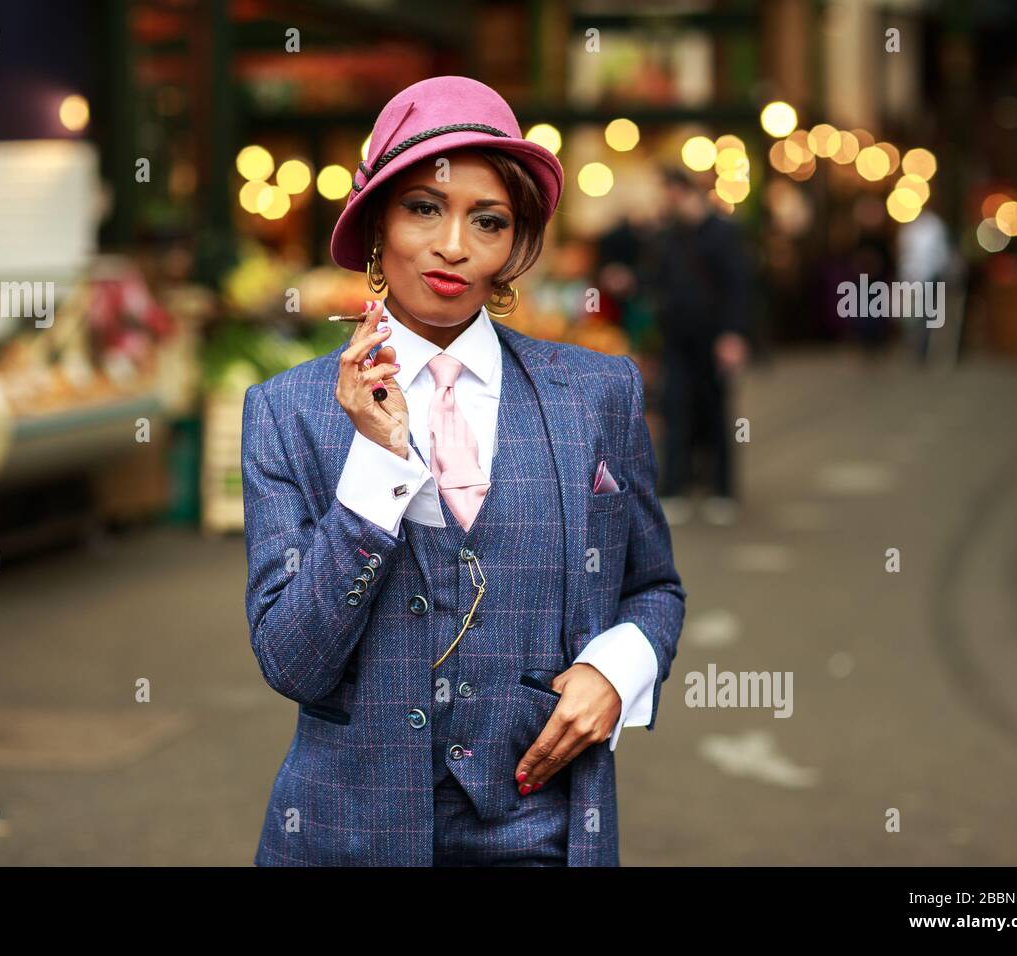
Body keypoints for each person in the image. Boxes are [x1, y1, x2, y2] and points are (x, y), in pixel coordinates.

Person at [241, 76, 687, 866]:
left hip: (538, 829)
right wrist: (377, 470)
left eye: (488, 220)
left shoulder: (596, 394)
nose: (454, 244)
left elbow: (652, 587)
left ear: (514, 246)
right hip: (349, 835)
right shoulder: (287, 412)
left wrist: (617, 672)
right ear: (376, 219)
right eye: (423, 207)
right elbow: (292, 660)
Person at [641, 166, 752, 526]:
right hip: (676, 336)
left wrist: (733, 334)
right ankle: (674, 486)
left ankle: (721, 488)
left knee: (716, 411)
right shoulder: (669, 235)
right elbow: (656, 281)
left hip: (713, 337)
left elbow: (739, 285)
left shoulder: (722, 233)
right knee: (675, 408)